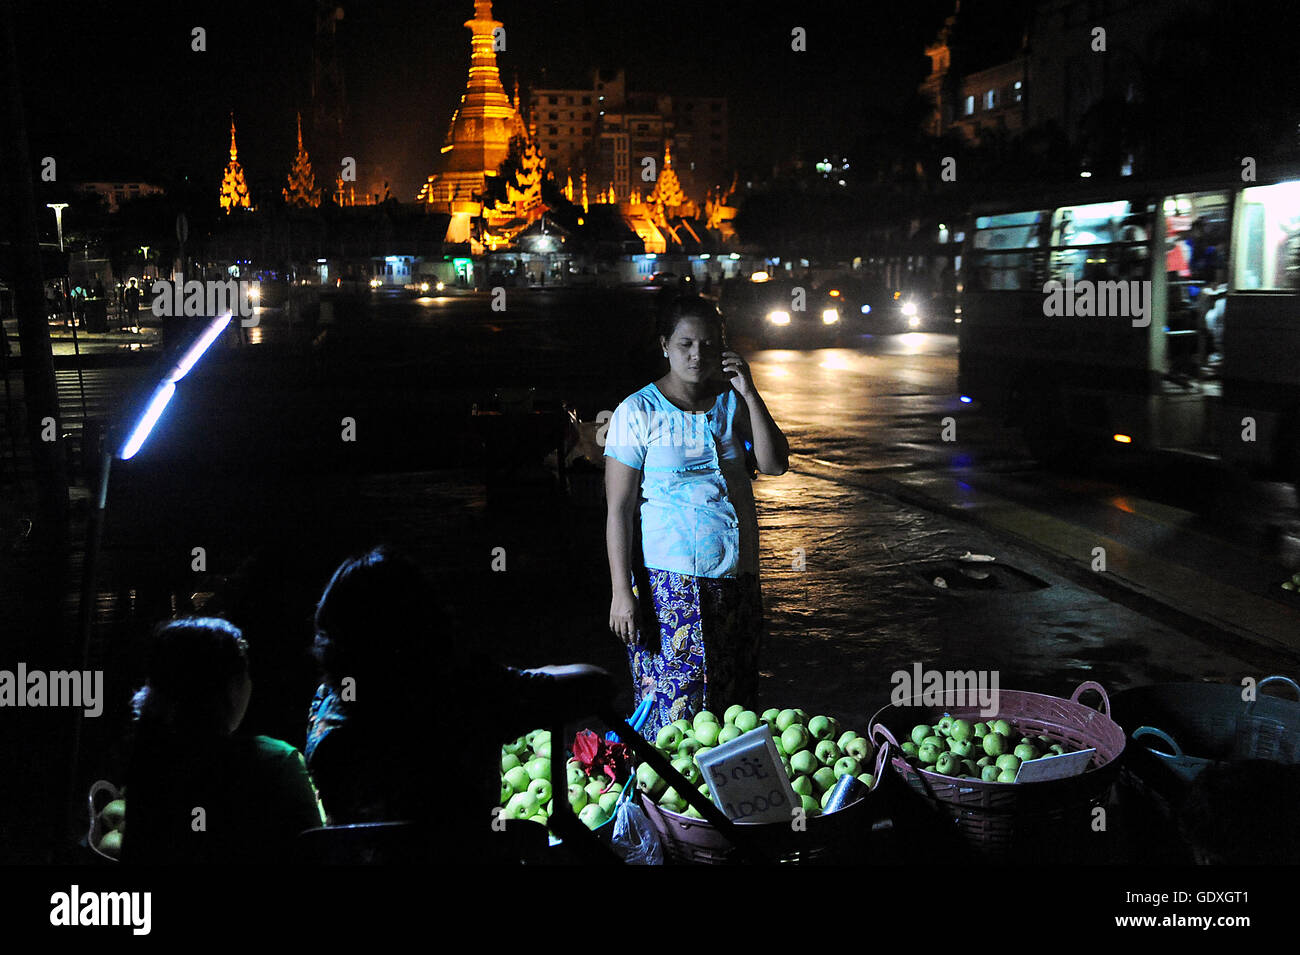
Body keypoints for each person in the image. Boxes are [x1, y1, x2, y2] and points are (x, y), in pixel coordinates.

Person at [305, 546, 615, 859]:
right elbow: (597, 683)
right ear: (429, 624)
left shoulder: (326, 711)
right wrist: (523, 677)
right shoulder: (469, 693)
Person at [604, 295, 789, 740]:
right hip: (670, 586)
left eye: (708, 344)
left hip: (738, 578)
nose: (697, 354)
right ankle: (668, 804)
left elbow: (775, 463)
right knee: (676, 712)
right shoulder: (638, 411)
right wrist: (621, 592)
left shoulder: (730, 403)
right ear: (665, 345)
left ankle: (728, 804)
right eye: (685, 343)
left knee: (735, 707)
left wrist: (749, 390)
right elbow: (619, 510)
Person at [121, 617, 326, 864]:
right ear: (231, 685)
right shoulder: (276, 761)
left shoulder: (147, 762)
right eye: (246, 672)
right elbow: (316, 855)